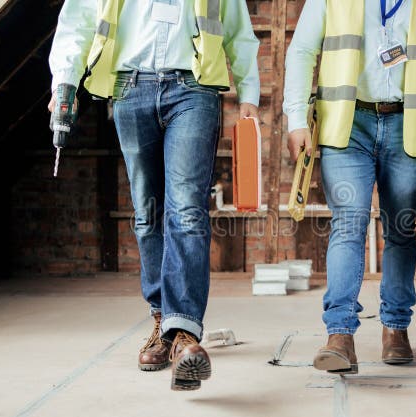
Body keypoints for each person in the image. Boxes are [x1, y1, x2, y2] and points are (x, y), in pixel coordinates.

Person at [48, 0, 260, 391]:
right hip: (131, 88)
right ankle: (162, 319)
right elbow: (77, 18)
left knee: (187, 210)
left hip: (193, 90)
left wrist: (249, 93)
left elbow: (239, 31)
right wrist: (65, 80)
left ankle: (184, 334)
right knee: (147, 212)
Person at [283, 0, 416, 374]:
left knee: (401, 229)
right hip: (347, 122)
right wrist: (296, 118)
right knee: (348, 224)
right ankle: (339, 335)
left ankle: (396, 328)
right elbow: (303, 50)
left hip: (407, 124)